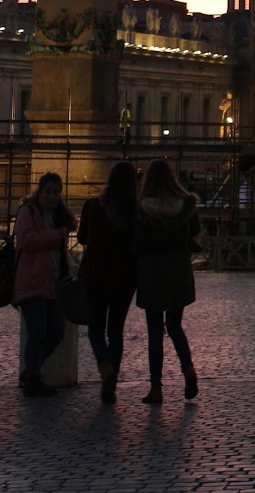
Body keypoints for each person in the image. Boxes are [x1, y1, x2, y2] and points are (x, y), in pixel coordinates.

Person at [134, 159, 202, 404]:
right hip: (178, 274)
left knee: (155, 332)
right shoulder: (185, 207)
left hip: (153, 275)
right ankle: (188, 369)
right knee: (174, 326)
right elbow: (195, 233)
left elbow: (138, 245)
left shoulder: (144, 210)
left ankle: (156, 388)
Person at [78, 161, 140, 402]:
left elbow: (82, 238)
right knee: (116, 330)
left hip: (96, 274)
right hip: (125, 278)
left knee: (95, 328)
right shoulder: (136, 212)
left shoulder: (92, 206)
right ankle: (112, 377)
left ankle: (105, 366)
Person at [14, 172, 75, 398]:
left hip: (54, 285)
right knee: (37, 330)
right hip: (31, 281)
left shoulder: (59, 217)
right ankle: (33, 378)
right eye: (48, 191)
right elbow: (27, 240)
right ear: (40, 191)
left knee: (57, 331)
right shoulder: (27, 212)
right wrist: (57, 235)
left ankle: (31, 372)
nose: (52, 196)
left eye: (56, 192)